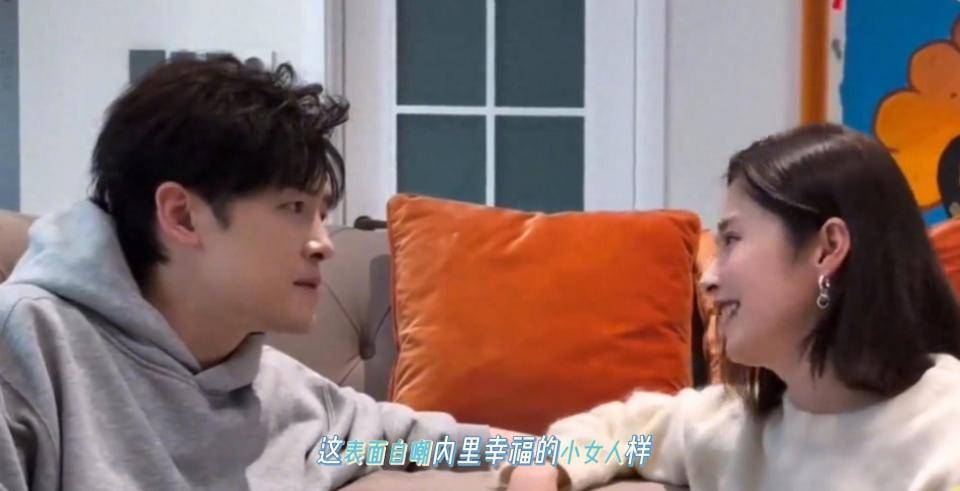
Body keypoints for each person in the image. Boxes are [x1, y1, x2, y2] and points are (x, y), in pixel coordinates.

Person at [0, 56, 496, 490]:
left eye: (323, 214)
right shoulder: (27, 348)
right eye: (294, 208)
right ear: (182, 215)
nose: (324, 244)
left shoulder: (293, 405)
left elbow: (432, 445)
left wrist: (544, 455)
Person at [500, 124, 960, 490]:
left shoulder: (944, 439)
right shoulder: (736, 427)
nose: (709, 278)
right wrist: (544, 466)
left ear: (827, 248)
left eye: (733, 239)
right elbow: (622, 434)